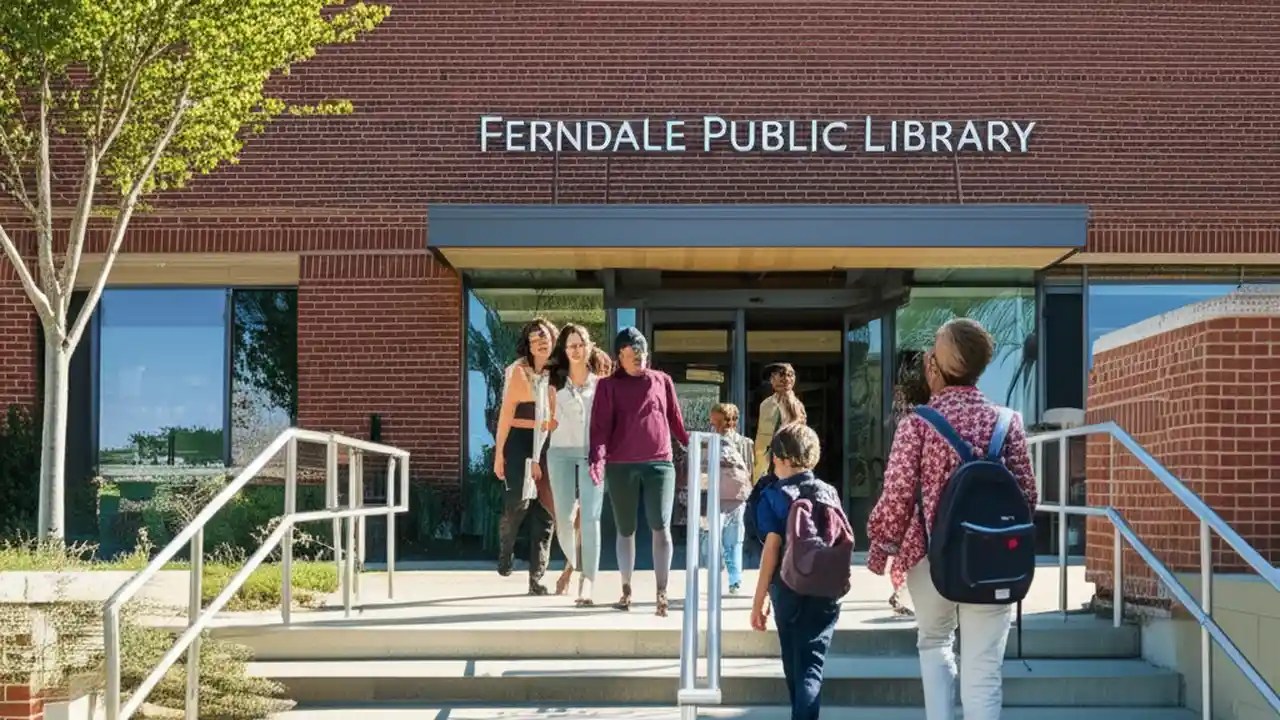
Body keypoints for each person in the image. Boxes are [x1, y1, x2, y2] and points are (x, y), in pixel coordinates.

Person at [866, 319, 1037, 720]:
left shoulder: (917, 425)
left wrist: (881, 551)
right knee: (984, 667)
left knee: (935, 642)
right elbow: (1027, 496)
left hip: (930, 559)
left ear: (934, 367)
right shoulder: (1006, 422)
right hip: (992, 559)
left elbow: (897, 497)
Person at [588, 326, 689, 616]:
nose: (638, 357)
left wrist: (690, 443)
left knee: (661, 526)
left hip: (659, 462)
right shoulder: (608, 386)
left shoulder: (662, 380)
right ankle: (626, 589)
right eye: (632, 353)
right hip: (621, 463)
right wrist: (597, 457)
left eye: (642, 352)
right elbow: (600, 426)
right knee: (626, 529)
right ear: (620, 356)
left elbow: (675, 419)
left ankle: (662, 592)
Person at [749, 423, 841, 720]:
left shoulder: (774, 495)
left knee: (794, 664)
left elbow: (771, 550)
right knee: (811, 665)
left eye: (774, 456)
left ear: (784, 459)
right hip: (825, 590)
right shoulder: (829, 492)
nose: (772, 462)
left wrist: (758, 600)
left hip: (787, 588)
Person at [545, 323, 612, 606]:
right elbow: (543, 420)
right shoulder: (553, 383)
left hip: (592, 454)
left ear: (589, 347)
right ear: (565, 349)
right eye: (571, 345)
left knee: (591, 517)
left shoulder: (602, 384)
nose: (576, 350)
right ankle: (576, 563)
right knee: (563, 518)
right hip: (560, 452)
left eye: (580, 344)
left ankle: (588, 582)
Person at [494, 317, 558, 595]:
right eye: (534, 339)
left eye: (544, 336)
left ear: (553, 339)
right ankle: (506, 552)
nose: (541, 342)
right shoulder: (517, 371)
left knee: (545, 511)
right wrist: (499, 453)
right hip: (519, 441)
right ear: (528, 346)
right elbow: (506, 414)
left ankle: (536, 578)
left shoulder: (559, 373)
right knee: (518, 503)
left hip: (548, 442)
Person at [887, 350, 931, 617]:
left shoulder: (902, 407)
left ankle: (901, 592)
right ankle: (903, 594)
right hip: (926, 485)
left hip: (908, 481)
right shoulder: (929, 407)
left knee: (905, 544)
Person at [701, 402, 754, 595]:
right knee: (729, 539)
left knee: (720, 538)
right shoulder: (744, 443)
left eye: (717, 421)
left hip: (721, 495)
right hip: (729, 495)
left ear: (731, 421)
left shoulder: (712, 442)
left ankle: (730, 577)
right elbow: (750, 470)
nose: (714, 425)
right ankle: (731, 579)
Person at [752, 362, 807, 481]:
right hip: (771, 461)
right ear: (772, 379)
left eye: (791, 375)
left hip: (793, 459)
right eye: (782, 375)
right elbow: (762, 439)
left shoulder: (797, 405)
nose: (787, 379)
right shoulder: (767, 404)